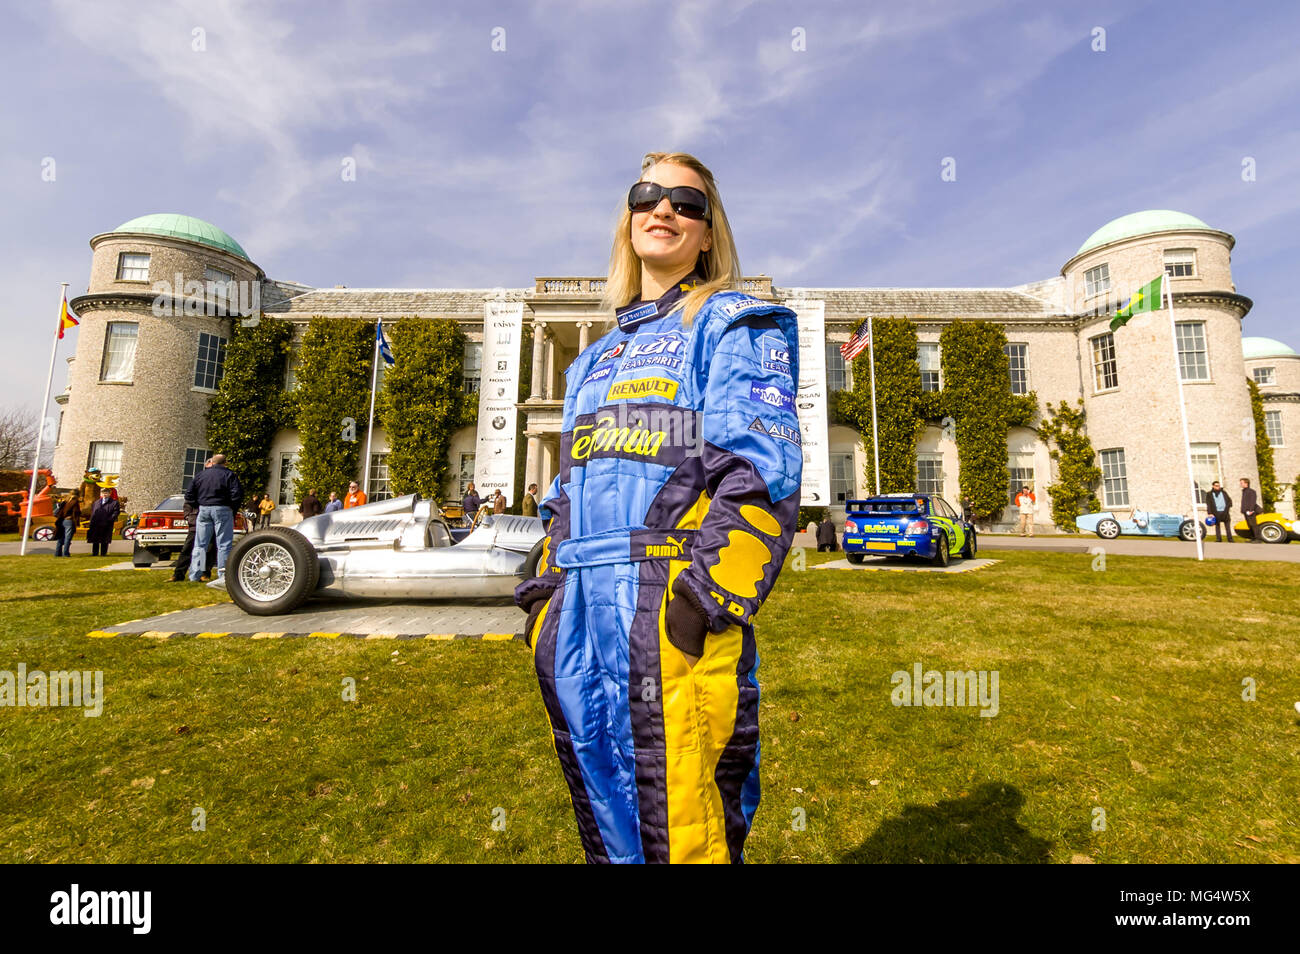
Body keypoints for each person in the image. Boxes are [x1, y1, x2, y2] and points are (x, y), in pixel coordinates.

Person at [515, 151, 802, 864]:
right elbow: (566, 490)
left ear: (709, 234)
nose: (665, 209)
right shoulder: (593, 359)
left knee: (686, 827)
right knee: (606, 819)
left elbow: (760, 475)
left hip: (669, 608)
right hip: (579, 616)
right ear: (629, 218)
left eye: (687, 202)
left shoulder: (736, 324)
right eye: (649, 195)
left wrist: (704, 601)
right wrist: (546, 593)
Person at [184, 452, 242, 580]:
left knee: (200, 544)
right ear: (225, 463)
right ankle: (223, 575)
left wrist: (199, 504)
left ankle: (195, 574)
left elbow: (188, 495)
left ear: (212, 462)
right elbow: (236, 495)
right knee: (223, 544)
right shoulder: (229, 475)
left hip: (204, 509)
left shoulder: (201, 475)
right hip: (222, 508)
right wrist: (232, 508)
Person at [168, 499, 215, 582]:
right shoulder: (196, 488)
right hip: (195, 524)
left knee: (207, 551)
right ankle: (178, 574)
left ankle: (204, 573)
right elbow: (188, 501)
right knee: (186, 550)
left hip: (209, 523)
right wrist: (188, 516)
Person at [86, 488, 119, 557]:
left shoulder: (114, 502)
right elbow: (93, 513)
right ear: (101, 494)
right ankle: (95, 553)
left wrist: (109, 520)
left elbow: (115, 513)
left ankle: (103, 553)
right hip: (96, 524)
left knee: (104, 540)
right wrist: (91, 522)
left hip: (106, 524)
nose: (104, 494)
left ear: (109, 494)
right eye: (103, 493)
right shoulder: (96, 502)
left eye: (106, 493)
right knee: (95, 540)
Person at [1239, 477, 1262, 542]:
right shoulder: (1244, 491)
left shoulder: (1251, 491)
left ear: (1246, 483)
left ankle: (1258, 538)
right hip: (1246, 511)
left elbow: (1253, 501)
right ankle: (1253, 538)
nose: (1240, 484)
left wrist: (1251, 510)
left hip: (1250, 511)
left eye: (1242, 483)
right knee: (1249, 525)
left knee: (1253, 525)